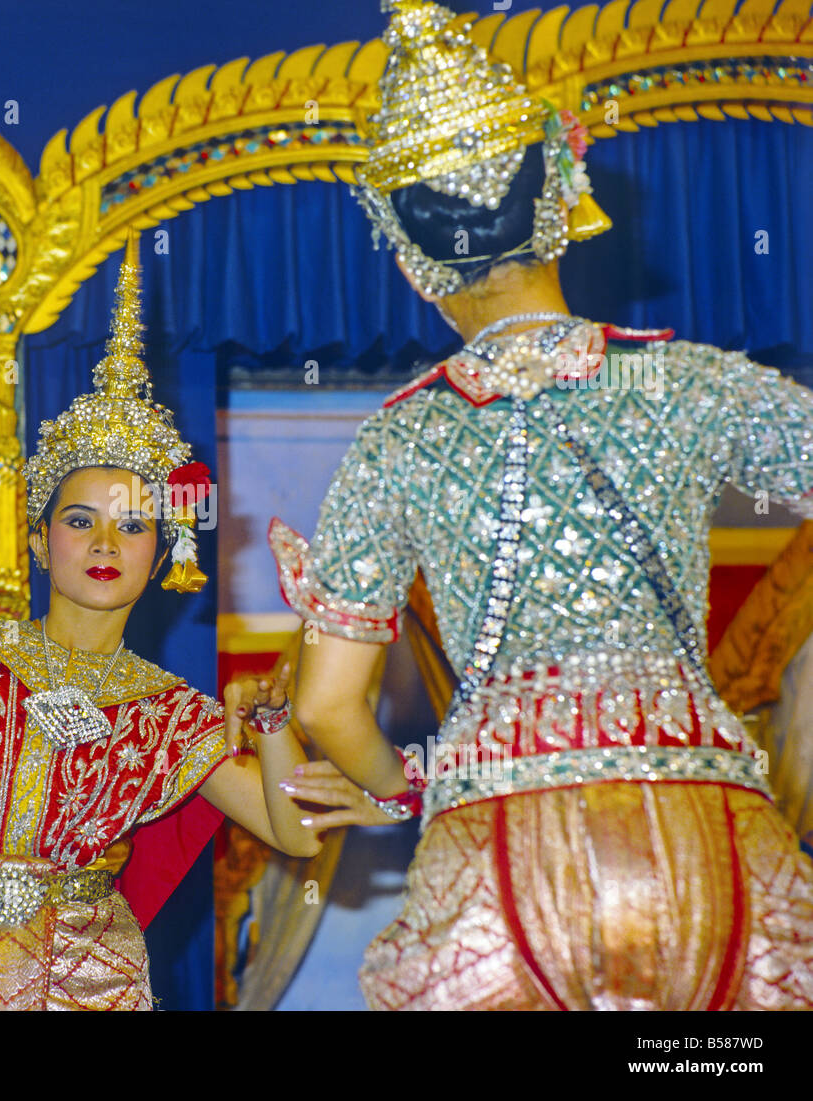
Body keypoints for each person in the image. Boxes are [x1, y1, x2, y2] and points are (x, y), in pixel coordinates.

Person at [270, 0, 813, 1010]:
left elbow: (324, 707)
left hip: (494, 847)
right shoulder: (687, 383)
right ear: (565, 189)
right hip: (708, 825)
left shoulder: (398, 440)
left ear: (403, 253)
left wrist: (401, 792)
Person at [0, 234, 373, 1010]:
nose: (107, 542)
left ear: (163, 553)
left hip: (92, 974)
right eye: (82, 520)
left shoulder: (168, 714)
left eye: (135, 525)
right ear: (42, 542)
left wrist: (274, 713)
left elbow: (292, 831)